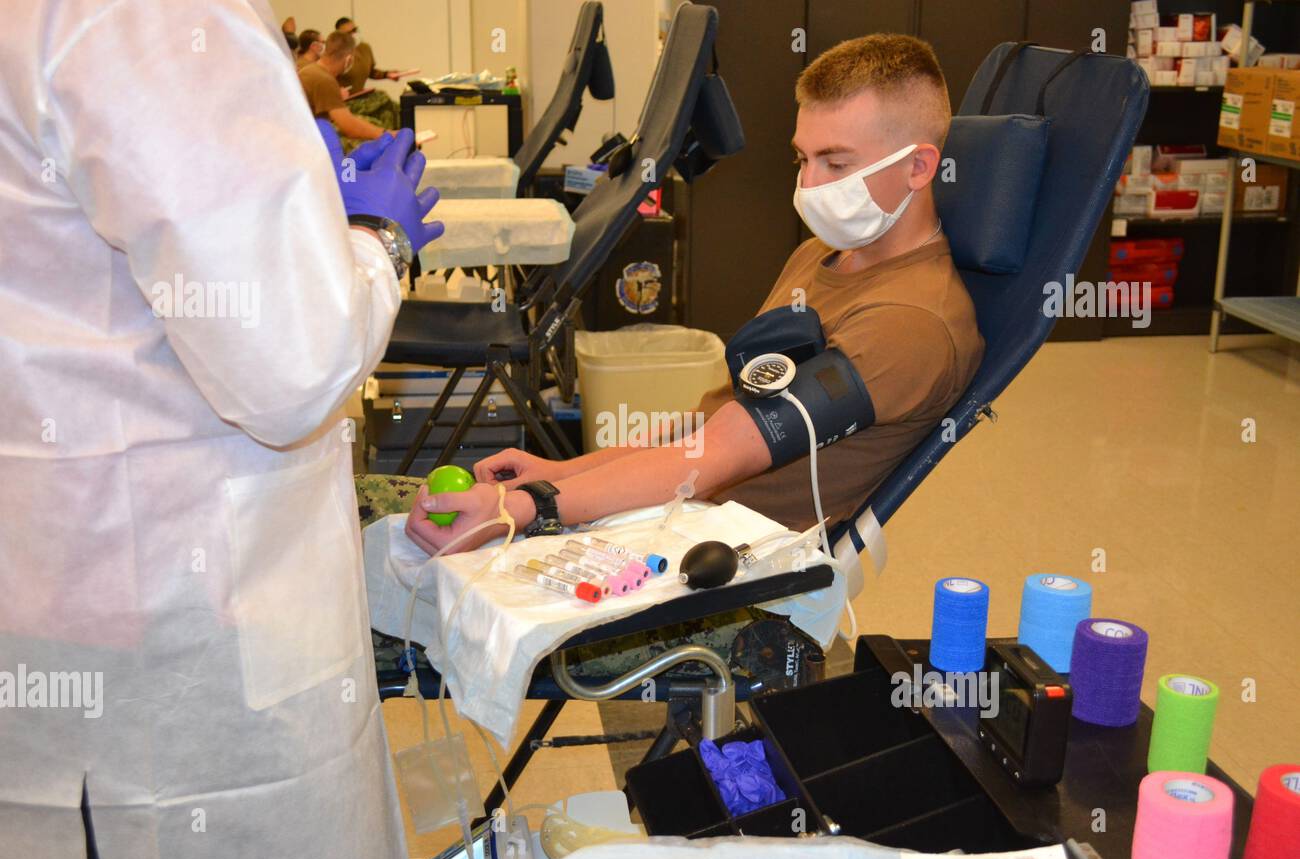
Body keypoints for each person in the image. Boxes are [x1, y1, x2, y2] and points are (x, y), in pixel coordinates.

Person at [0, 0, 441, 859]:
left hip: (56, 583)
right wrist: (375, 241)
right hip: (180, 629)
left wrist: (299, 215)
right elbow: (293, 364)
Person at [402, 33, 984, 557]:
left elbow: (718, 454)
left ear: (918, 167)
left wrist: (528, 506)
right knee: (386, 526)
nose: (810, 185)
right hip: (675, 509)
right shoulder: (823, 255)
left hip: (721, 558)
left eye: (836, 162)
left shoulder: (911, 323)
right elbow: (709, 426)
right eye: (803, 158)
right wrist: (559, 472)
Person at [299, 30, 386, 143]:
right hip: (310, 140)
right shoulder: (324, 80)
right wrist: (387, 134)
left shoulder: (309, 71)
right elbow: (349, 127)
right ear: (349, 59)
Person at [334, 16, 403, 131]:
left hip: (361, 96)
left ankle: (399, 141)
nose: (354, 34)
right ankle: (386, 139)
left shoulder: (364, 48)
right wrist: (337, 91)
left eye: (355, 30)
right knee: (383, 99)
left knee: (396, 108)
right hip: (346, 103)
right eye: (349, 33)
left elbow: (371, 71)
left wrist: (387, 75)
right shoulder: (338, 54)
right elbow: (328, 77)